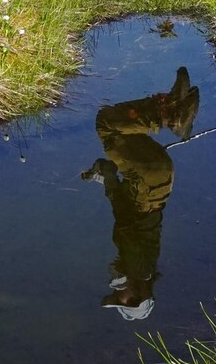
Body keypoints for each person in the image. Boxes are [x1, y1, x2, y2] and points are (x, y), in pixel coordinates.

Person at [81, 67, 200, 320]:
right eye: (121, 298)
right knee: (106, 124)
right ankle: (172, 115)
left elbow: (126, 204)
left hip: (159, 180)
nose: (116, 292)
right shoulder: (137, 269)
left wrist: (105, 175)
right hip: (146, 180)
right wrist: (108, 178)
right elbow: (124, 216)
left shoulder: (146, 264)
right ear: (138, 296)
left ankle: (172, 105)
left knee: (124, 128)